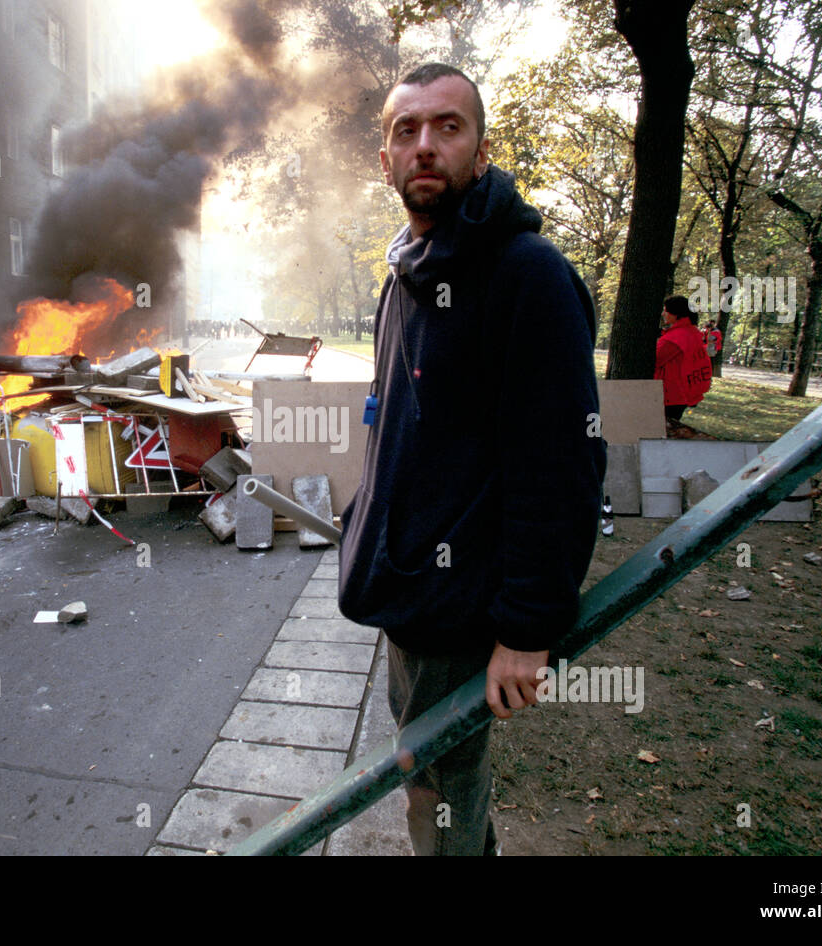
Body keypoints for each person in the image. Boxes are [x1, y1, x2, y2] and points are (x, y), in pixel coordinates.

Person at [337, 63, 606, 856]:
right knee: (427, 774)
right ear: (384, 160)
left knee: (437, 785)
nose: (426, 145)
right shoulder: (405, 274)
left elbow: (559, 466)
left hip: (463, 606)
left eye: (448, 127)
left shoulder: (528, 276)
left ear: (480, 150)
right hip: (408, 591)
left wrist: (526, 630)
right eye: (405, 131)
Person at [654, 295, 713, 424]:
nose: (663, 313)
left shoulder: (676, 337)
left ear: (676, 314)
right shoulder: (692, 332)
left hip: (670, 395)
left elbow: (653, 360)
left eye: (666, 310)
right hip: (681, 394)